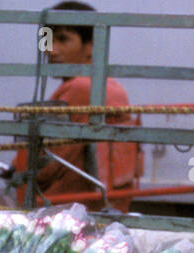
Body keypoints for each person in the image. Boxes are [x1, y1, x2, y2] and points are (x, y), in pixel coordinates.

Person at [15, 1, 141, 212]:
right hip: (109, 207)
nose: (51, 50)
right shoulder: (112, 86)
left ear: (91, 45)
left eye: (63, 39)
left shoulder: (78, 89)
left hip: (62, 211)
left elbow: (44, 169)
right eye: (47, 39)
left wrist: (18, 165)